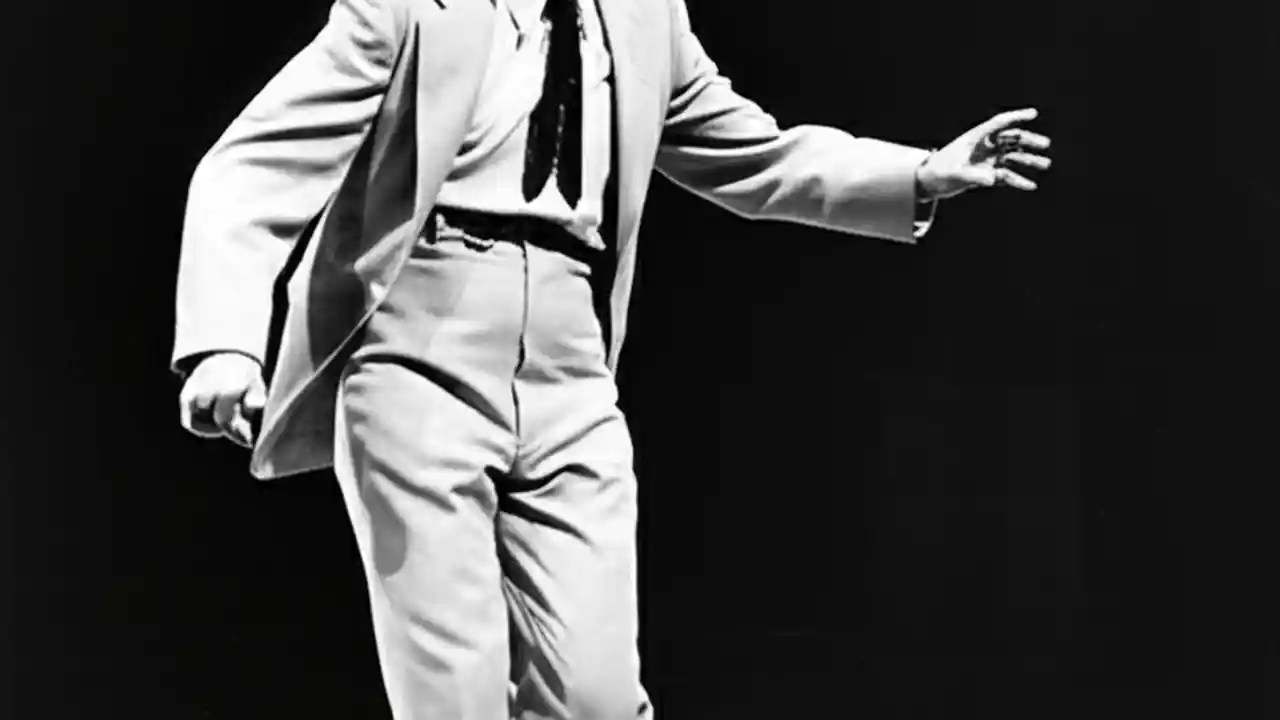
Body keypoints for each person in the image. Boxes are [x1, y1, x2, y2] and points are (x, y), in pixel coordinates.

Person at [172, 0, 1052, 717]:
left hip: (571, 362)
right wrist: (223, 346)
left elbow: (759, 153)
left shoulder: (643, 19)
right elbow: (253, 164)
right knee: (454, 698)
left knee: (595, 697)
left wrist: (924, 173)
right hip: (419, 345)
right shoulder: (406, 9)